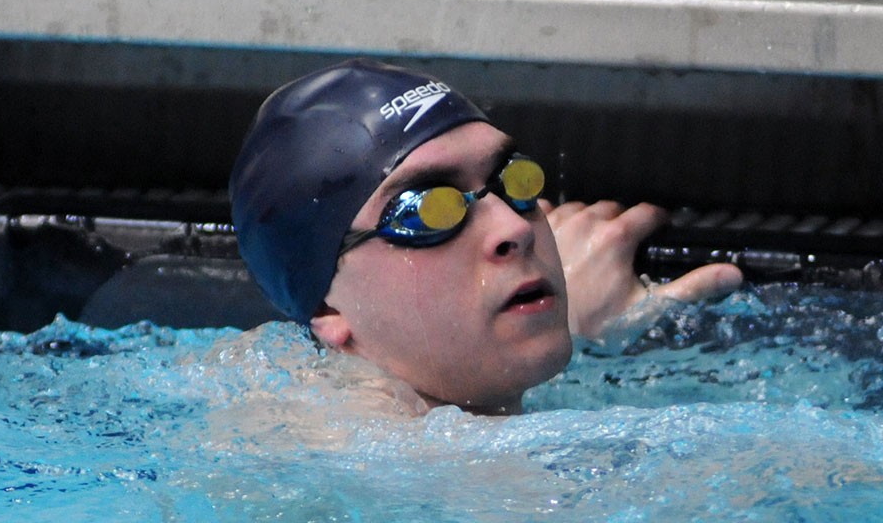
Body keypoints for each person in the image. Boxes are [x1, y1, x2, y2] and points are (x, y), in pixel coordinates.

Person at [229, 59, 742, 416]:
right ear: (327, 310)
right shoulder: (331, 451)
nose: (516, 227)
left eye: (510, 180)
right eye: (428, 211)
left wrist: (577, 332)